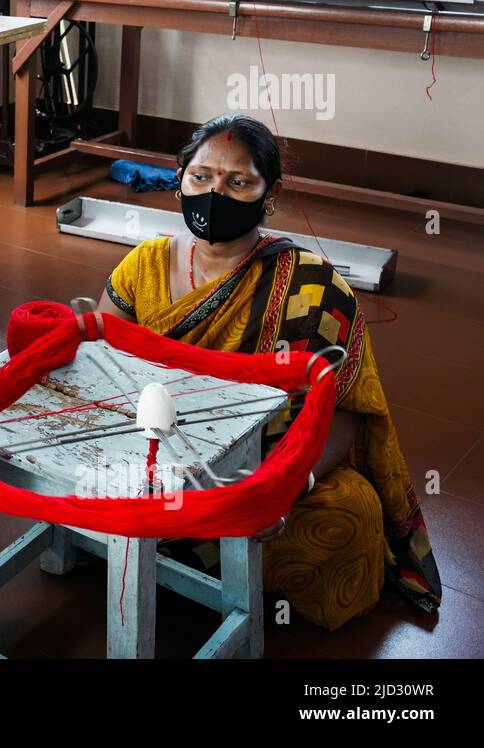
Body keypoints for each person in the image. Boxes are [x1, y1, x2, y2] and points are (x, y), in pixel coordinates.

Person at [99, 115, 440, 630]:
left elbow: (344, 416)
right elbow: (98, 367)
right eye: (201, 177)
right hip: (153, 454)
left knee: (350, 514)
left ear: (270, 194)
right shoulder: (142, 267)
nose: (216, 193)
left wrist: (281, 485)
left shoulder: (314, 288)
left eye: (239, 182)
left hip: (264, 460)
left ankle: (152, 551)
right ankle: (174, 547)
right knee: (90, 478)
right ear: (179, 181)